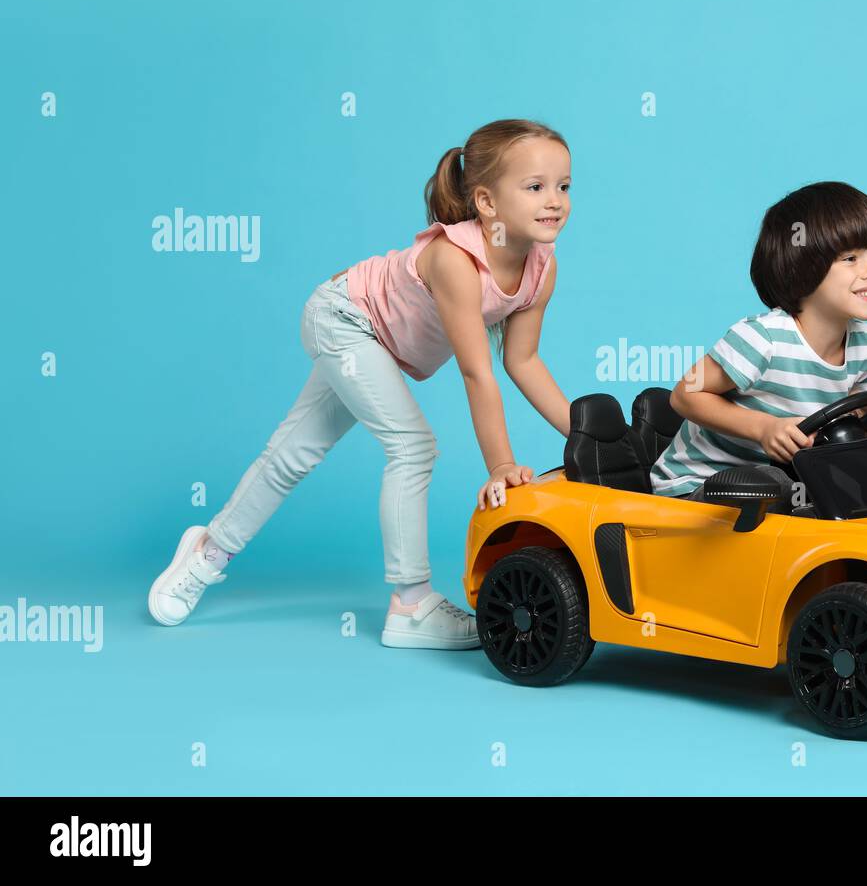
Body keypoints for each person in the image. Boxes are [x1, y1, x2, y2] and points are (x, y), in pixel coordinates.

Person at [148, 119, 573, 650]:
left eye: (564, 186)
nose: (554, 200)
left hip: (378, 345)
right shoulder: (456, 260)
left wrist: (590, 438)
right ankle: (411, 603)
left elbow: (524, 361)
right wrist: (501, 467)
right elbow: (476, 372)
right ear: (486, 202)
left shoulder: (541, 265)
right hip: (344, 320)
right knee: (413, 448)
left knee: (294, 453)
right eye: (535, 187)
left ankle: (208, 550)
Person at [651, 181, 867, 501]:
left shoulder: (865, 347)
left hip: (787, 485)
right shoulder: (763, 339)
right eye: (850, 259)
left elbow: (846, 419)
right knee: (781, 493)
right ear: (803, 268)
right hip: (700, 485)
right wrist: (764, 428)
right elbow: (685, 396)